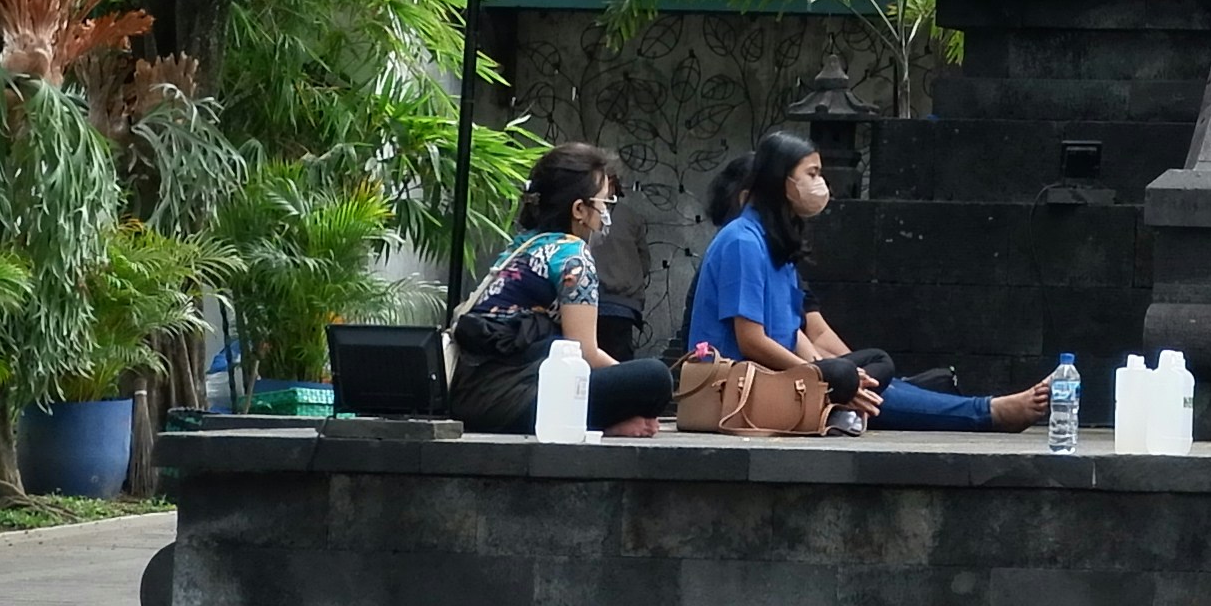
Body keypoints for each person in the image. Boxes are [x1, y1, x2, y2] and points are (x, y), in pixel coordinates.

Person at [688, 130, 1050, 433]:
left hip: (781, 377)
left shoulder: (775, 246)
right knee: (847, 379)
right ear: (784, 182)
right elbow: (751, 340)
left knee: (875, 365)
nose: (821, 184)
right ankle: (987, 412)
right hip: (741, 389)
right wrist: (820, 376)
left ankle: (851, 406)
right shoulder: (743, 242)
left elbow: (791, 332)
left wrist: (841, 375)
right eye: (812, 174)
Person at [449, 140, 674, 435]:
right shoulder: (572, 257)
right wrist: (629, 385)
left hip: (469, 399)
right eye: (604, 203)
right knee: (655, 378)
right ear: (580, 209)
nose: (606, 214)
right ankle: (598, 425)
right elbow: (586, 354)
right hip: (518, 400)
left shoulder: (523, 245)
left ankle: (601, 424)